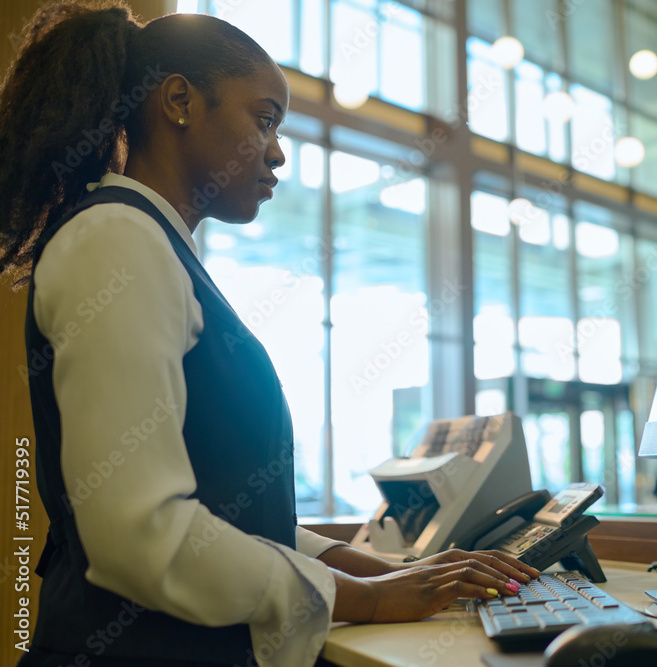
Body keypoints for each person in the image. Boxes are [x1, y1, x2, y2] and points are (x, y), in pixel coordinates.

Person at [0, 4, 538, 666]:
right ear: (178, 101)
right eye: (264, 120)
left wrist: (370, 568)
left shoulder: (151, 242)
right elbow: (142, 532)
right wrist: (369, 598)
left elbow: (225, 507)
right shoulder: (118, 239)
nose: (279, 151)